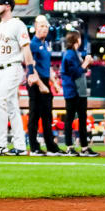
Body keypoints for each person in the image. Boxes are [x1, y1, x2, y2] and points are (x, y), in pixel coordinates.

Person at [0, 0, 32, 156]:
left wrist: (30, 70)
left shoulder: (17, 24)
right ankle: (20, 145)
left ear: (8, 6)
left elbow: (26, 48)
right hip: (0, 70)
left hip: (13, 67)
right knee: (12, 108)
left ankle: (1, 143)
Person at [25, 15, 62, 156]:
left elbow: (47, 67)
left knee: (47, 116)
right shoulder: (32, 44)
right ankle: (34, 147)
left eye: (46, 26)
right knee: (34, 115)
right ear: (35, 27)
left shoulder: (45, 44)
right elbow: (31, 67)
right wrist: (41, 84)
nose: (44, 29)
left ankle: (51, 146)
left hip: (45, 81)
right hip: (36, 82)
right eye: (41, 26)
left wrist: (54, 82)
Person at [58, 31, 96, 156]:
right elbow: (75, 72)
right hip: (73, 92)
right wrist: (85, 62)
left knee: (81, 120)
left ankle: (84, 147)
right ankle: (70, 146)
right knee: (70, 120)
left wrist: (85, 63)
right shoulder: (69, 54)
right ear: (76, 40)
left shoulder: (74, 53)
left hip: (79, 92)